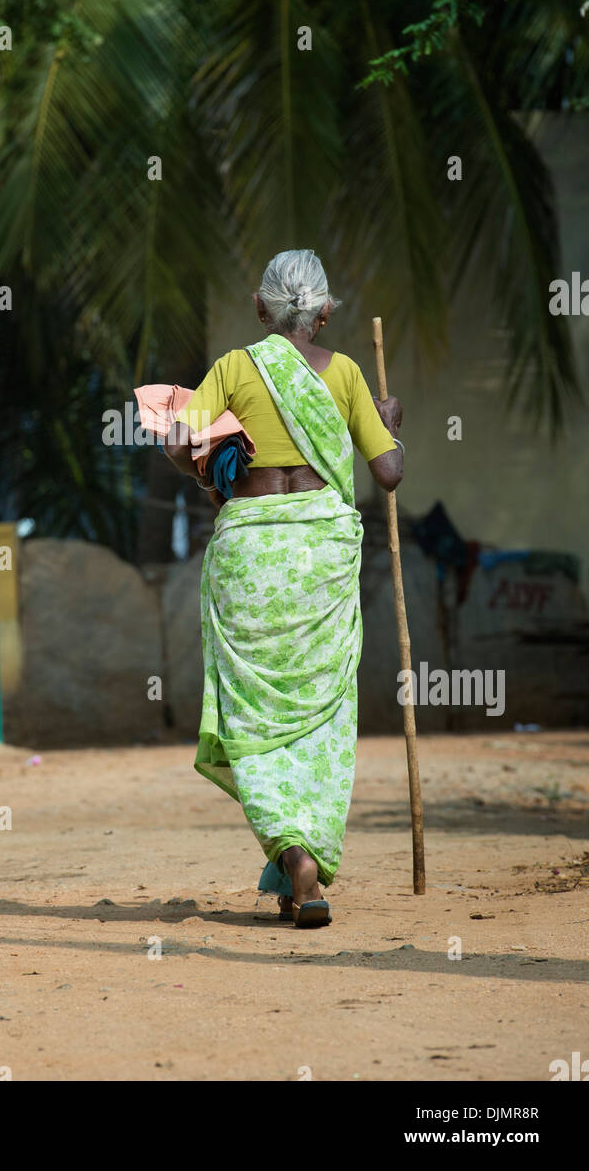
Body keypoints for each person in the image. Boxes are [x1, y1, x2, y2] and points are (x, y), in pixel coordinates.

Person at [163, 250, 403, 928]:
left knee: (251, 713)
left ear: (259, 308)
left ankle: (292, 857)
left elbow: (178, 444)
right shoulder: (347, 373)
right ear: (324, 313)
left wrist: (207, 469)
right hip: (321, 557)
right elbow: (388, 473)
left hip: (250, 555)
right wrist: (388, 423)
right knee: (321, 714)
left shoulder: (234, 368)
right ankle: (306, 861)